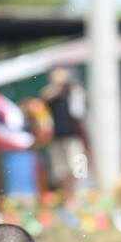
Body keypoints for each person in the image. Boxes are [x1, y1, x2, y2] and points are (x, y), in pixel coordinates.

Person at [41, 67, 88, 202]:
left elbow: (79, 111)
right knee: (62, 171)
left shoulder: (74, 91)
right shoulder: (51, 93)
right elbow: (45, 96)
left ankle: (81, 198)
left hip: (74, 136)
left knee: (79, 169)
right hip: (57, 138)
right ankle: (68, 199)